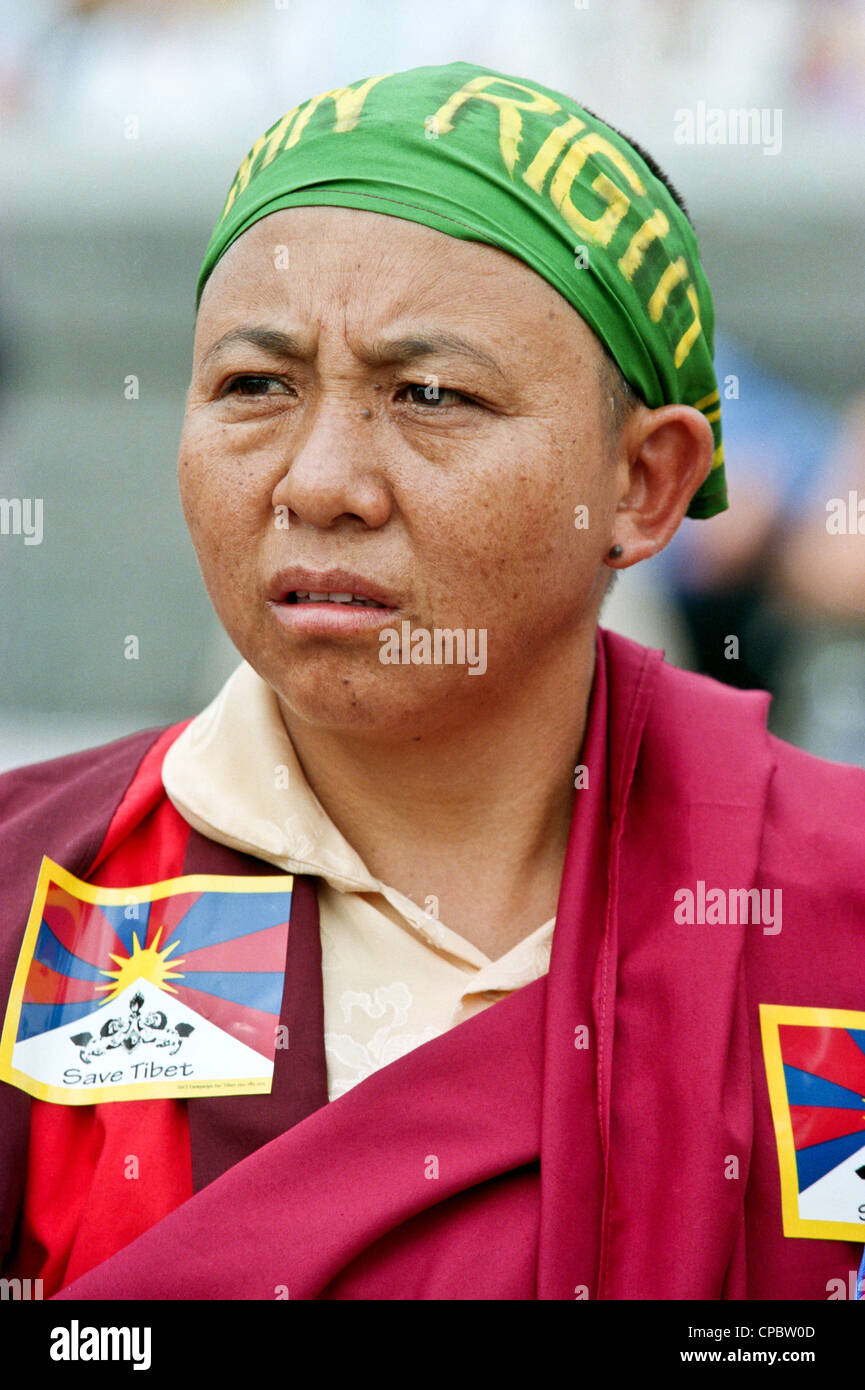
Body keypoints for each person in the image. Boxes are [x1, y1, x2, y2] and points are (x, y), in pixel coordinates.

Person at [0, 60, 863, 1302]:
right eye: (255, 386)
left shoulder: (830, 904)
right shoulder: (40, 889)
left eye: (430, 395)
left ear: (643, 484)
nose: (319, 483)